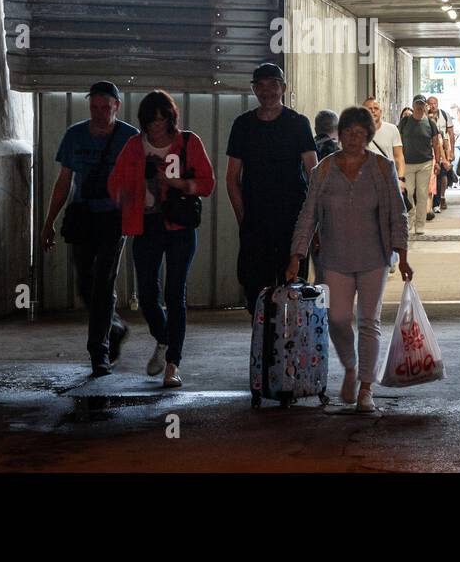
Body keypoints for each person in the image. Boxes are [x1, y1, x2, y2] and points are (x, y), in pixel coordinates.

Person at [287, 106, 412, 413]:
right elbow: (308, 215)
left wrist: (404, 256)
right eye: (348, 133)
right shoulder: (324, 170)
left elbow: (398, 214)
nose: (354, 139)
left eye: (360, 133)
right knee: (337, 319)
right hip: (333, 259)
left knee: (369, 322)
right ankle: (351, 366)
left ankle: (366, 388)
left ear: (368, 136)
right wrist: (296, 255)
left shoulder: (383, 169)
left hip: (374, 258)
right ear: (339, 134)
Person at [109, 90, 215, 388]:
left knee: (175, 293)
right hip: (146, 226)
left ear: (171, 119)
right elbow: (115, 184)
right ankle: (165, 339)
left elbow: (208, 183)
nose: (156, 126)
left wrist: (177, 183)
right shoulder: (133, 147)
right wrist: (127, 193)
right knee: (146, 294)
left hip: (180, 226)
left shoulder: (188, 143)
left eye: (162, 120)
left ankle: (173, 364)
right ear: (143, 121)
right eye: (151, 121)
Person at [38, 81, 139, 376]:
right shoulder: (75, 135)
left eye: (105, 107)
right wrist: (48, 222)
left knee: (104, 282)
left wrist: (134, 218)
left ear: (116, 107)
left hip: (113, 219)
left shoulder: (129, 137)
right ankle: (116, 326)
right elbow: (63, 181)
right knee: (85, 283)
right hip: (82, 215)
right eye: (94, 107)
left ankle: (99, 352)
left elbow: (137, 184)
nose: (99, 112)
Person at [226, 63, 318, 312]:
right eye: (261, 86)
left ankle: (289, 346)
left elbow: (314, 173)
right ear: (254, 90)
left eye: (273, 85)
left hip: (293, 219)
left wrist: (312, 221)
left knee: (293, 286)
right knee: (255, 289)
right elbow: (232, 177)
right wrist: (242, 217)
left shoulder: (298, 123)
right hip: (255, 220)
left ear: (283, 88)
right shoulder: (243, 125)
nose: (267, 91)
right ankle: (263, 346)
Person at [363, 97, 406, 274]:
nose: (373, 111)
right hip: (365, 183)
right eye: (369, 108)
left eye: (376, 108)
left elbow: (398, 156)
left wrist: (401, 178)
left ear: (381, 111)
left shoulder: (391, 129)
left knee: (389, 221)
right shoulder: (358, 131)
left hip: (388, 182)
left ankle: (391, 256)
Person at [397, 94, 440, 236]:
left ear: (425, 106)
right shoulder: (405, 122)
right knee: (408, 193)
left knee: (422, 194)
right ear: (413, 105)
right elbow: (398, 141)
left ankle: (420, 224)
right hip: (407, 163)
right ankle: (410, 219)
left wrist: (437, 162)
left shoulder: (430, 123)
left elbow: (435, 144)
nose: (420, 106)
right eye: (417, 104)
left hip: (425, 163)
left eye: (422, 104)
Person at [426, 95, 454, 215]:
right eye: (430, 103)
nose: (432, 106)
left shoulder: (444, 115)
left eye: (435, 103)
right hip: (429, 150)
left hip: (442, 149)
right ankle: (433, 202)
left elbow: (451, 134)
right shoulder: (425, 116)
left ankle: (441, 197)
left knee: (442, 174)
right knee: (433, 178)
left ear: (438, 104)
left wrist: (451, 151)